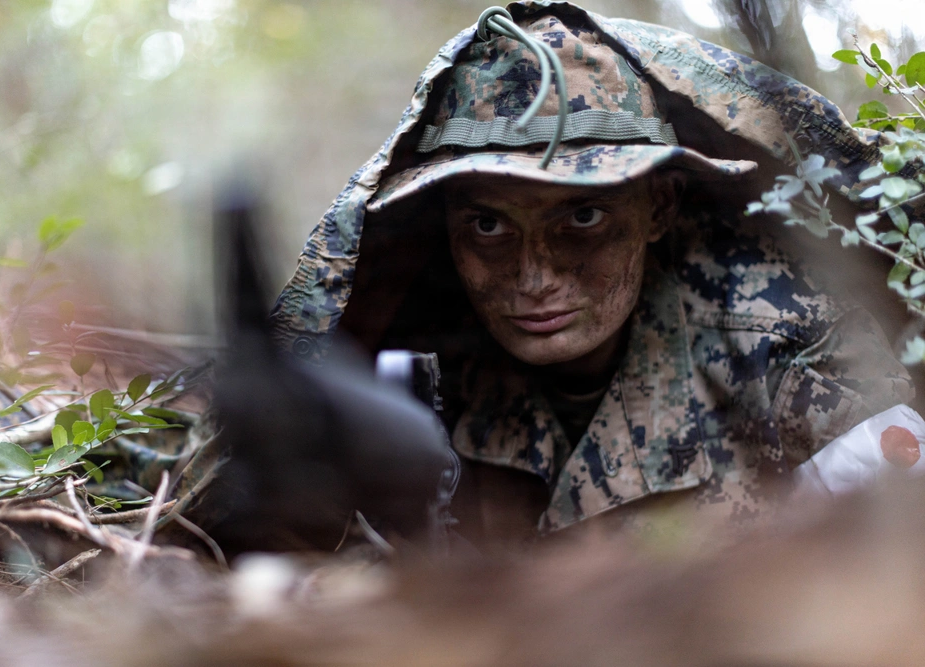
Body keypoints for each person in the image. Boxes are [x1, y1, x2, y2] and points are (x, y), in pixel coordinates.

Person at [267, 2, 917, 546]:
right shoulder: (416, 368)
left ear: (658, 207)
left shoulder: (785, 344)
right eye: (488, 227)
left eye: (582, 217)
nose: (533, 276)